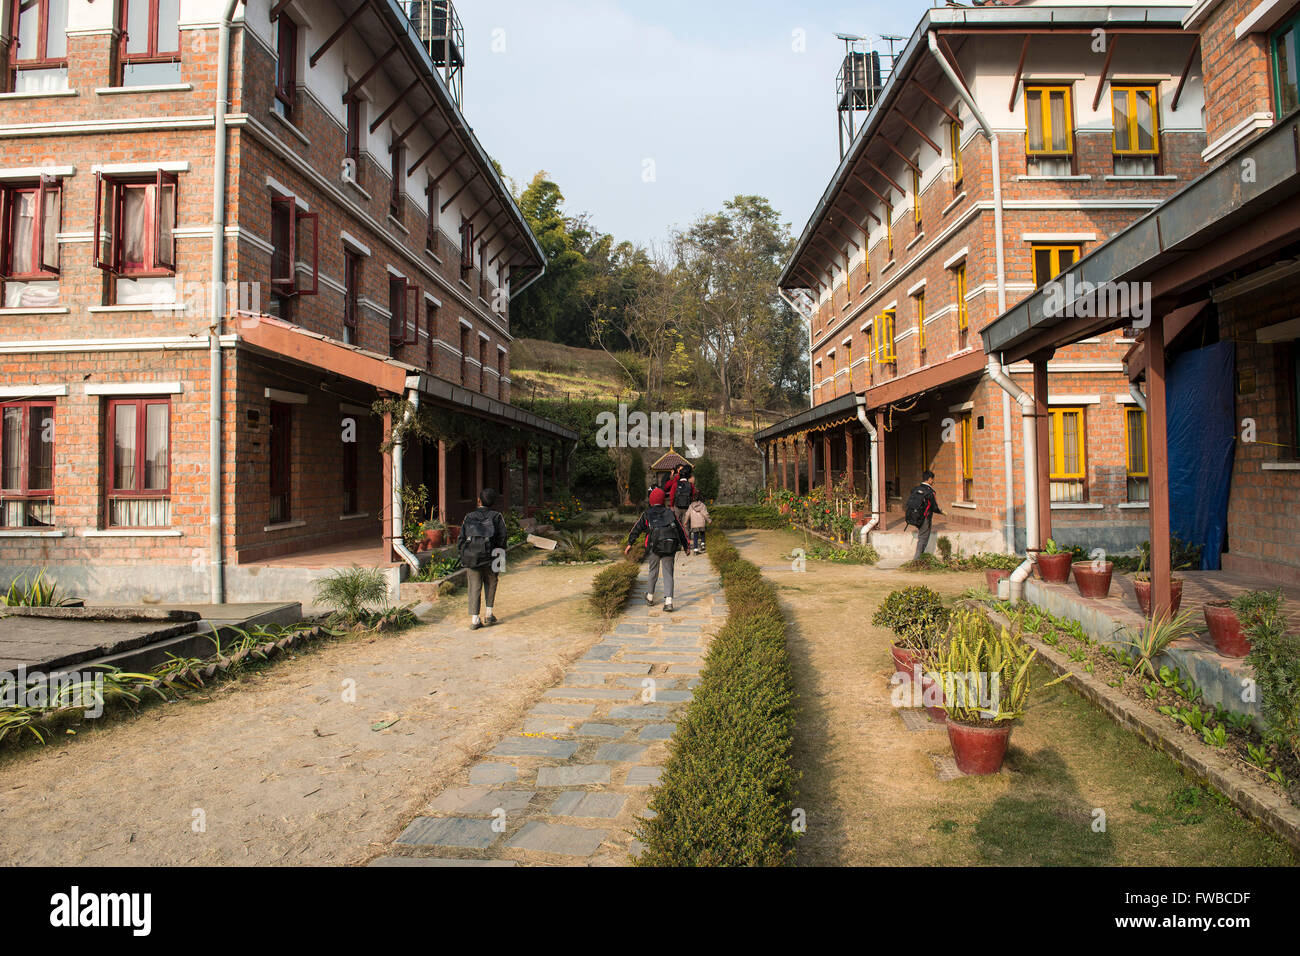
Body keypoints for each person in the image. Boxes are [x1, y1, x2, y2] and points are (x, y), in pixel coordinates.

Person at [624, 487, 690, 612]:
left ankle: (649, 597)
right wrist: (686, 546)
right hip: (670, 547)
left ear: (651, 500)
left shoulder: (647, 514)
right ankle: (669, 601)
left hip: (653, 547)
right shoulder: (670, 513)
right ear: (662, 500)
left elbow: (636, 528)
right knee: (668, 573)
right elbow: (681, 529)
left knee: (653, 571)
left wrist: (629, 543)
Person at [458, 488, 508, 630]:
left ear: (479, 500)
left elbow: (461, 538)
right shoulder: (497, 516)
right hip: (494, 555)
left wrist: (464, 553)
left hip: (472, 556)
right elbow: (503, 537)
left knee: (474, 586)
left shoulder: (469, 516)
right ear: (493, 502)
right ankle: (489, 614)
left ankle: (474, 620)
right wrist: (499, 554)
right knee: (492, 582)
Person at [904, 471, 944, 562]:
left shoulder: (915, 489)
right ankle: (916, 561)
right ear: (930, 479)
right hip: (925, 518)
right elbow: (934, 507)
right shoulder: (930, 492)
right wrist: (940, 511)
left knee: (921, 537)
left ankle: (918, 559)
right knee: (923, 539)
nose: (933, 481)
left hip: (914, 517)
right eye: (933, 479)